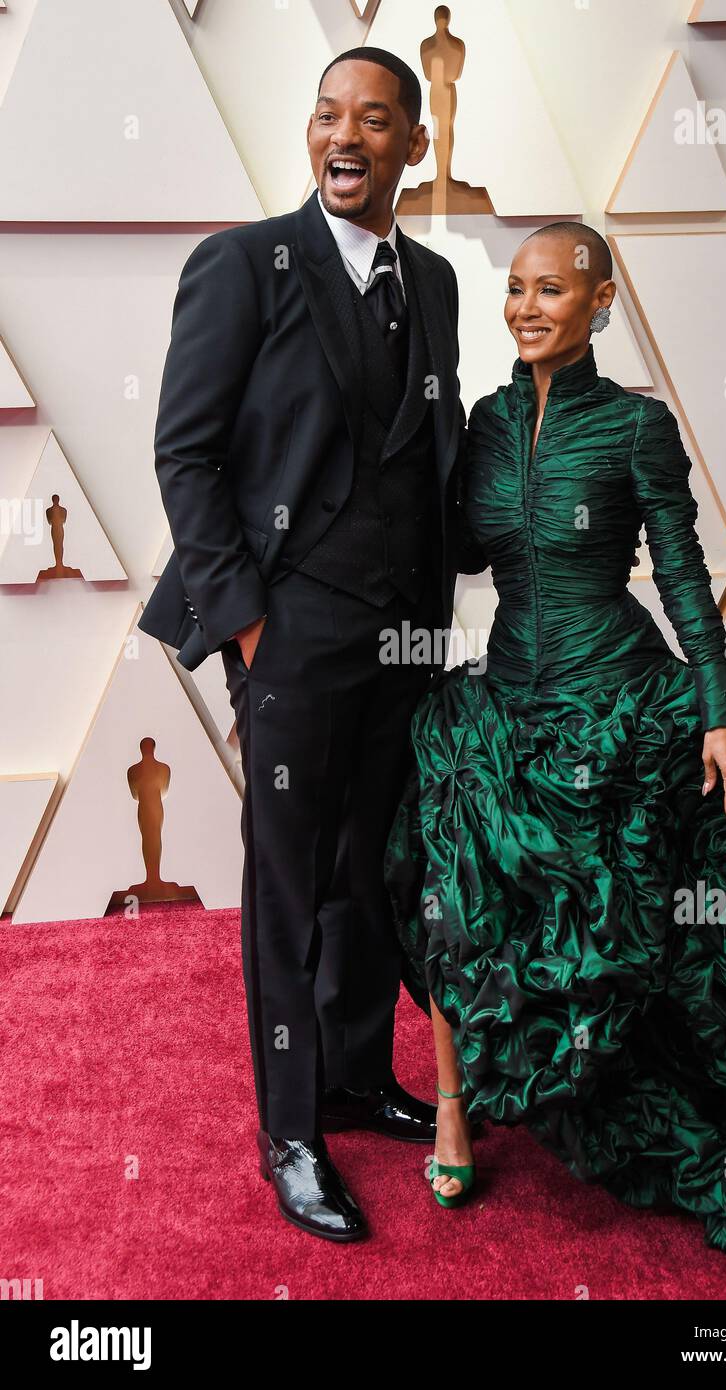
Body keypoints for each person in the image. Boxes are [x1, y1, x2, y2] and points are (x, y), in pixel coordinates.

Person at [386, 222, 726, 1270]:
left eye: (549, 290)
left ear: (599, 304)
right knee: (445, 867)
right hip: (506, 699)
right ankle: (453, 1112)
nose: (523, 307)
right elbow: (463, 546)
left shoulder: (637, 428)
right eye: (512, 288)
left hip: (619, 701)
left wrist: (720, 709)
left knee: (675, 916)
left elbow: (684, 577)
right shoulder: (483, 421)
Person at [140, 48, 471, 1243]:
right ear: (309, 135)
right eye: (327, 114)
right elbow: (186, 452)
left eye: (374, 120)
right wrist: (246, 618)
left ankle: (347, 1071)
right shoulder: (243, 264)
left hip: (402, 633)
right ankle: (290, 1129)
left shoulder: (431, 279)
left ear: (412, 148)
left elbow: (427, 460)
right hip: (290, 625)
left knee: (370, 870)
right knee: (286, 885)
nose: (346, 135)